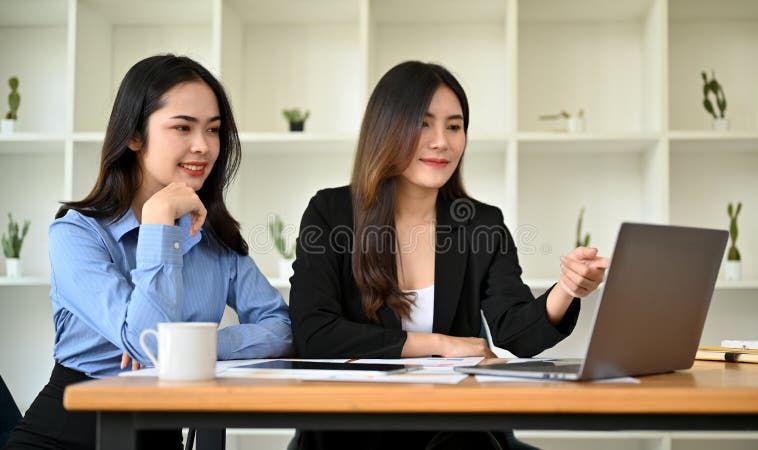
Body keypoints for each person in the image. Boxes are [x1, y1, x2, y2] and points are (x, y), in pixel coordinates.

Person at [288, 61, 609, 450]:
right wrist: (441, 343)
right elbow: (315, 334)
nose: (441, 141)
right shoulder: (331, 212)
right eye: (423, 124)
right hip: (353, 434)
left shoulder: (481, 224)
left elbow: (516, 332)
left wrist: (567, 289)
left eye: (454, 126)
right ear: (386, 130)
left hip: (457, 431)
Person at [3, 54, 293, 450]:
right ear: (134, 137)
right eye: (182, 127)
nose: (203, 146)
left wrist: (197, 348)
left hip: (161, 433)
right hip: (68, 435)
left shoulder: (213, 239)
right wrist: (158, 224)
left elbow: (281, 327)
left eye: (213, 130)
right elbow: (146, 342)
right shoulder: (76, 233)